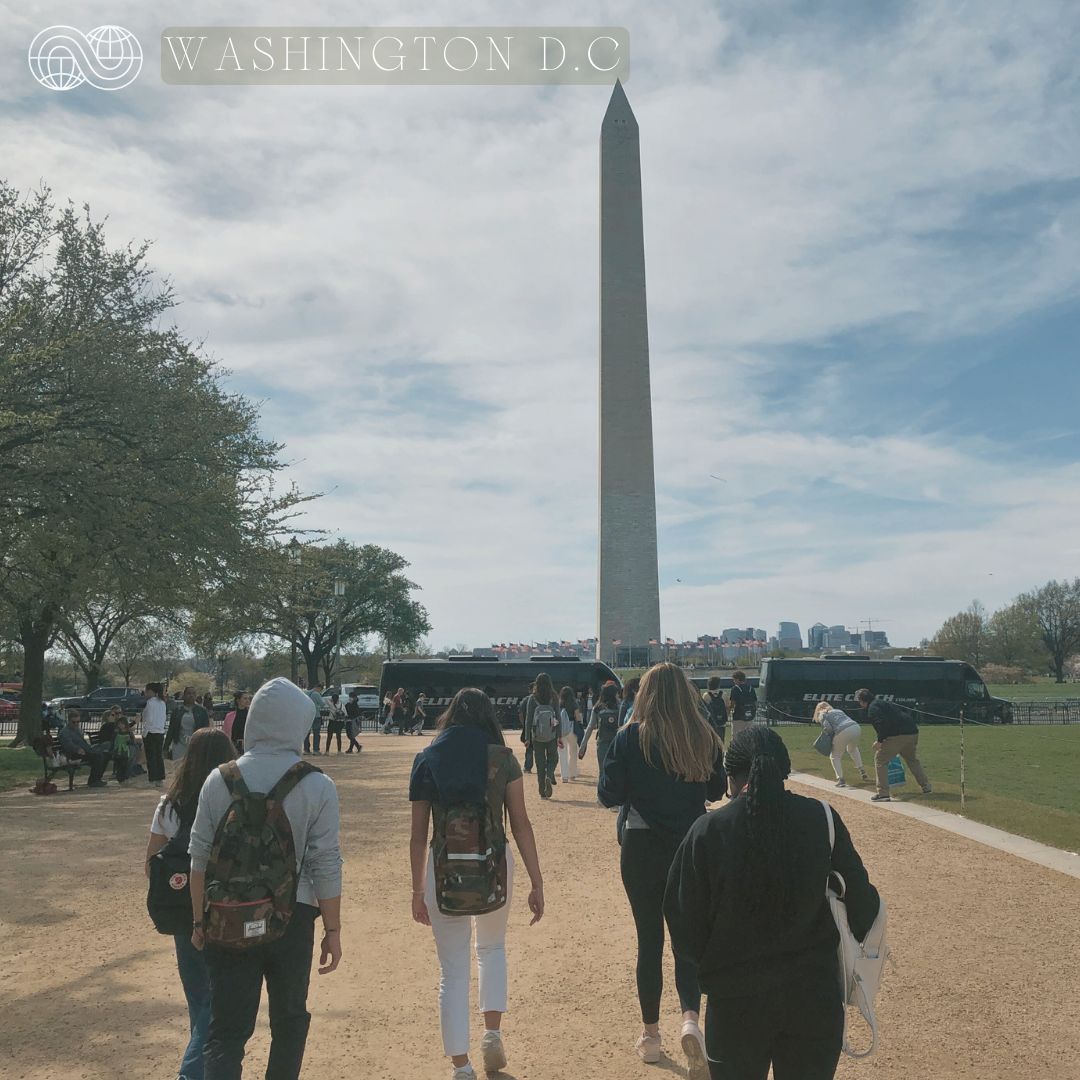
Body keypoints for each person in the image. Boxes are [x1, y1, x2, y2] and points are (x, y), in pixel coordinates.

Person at [664, 726, 880, 1080]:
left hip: (736, 1004)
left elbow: (684, 932)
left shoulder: (708, 831)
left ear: (731, 778)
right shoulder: (823, 819)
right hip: (813, 997)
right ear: (784, 771)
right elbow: (865, 909)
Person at [188, 677, 344, 1080]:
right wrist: (333, 928)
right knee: (289, 1019)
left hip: (226, 912)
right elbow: (325, 863)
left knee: (226, 1029)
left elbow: (199, 856)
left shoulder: (218, 779)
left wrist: (197, 920)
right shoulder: (316, 784)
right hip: (292, 914)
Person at [409, 688, 545, 1080]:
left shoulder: (428, 759)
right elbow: (519, 823)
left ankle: (461, 1066)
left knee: (451, 972)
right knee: (492, 948)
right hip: (494, 867)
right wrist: (537, 881)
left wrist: (417, 890)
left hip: (442, 869)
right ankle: (492, 1032)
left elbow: (419, 835)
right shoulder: (503, 760)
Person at [598, 663, 726, 1078]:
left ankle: (651, 1035)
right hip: (690, 845)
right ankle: (690, 1018)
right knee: (687, 939)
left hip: (642, 844)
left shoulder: (630, 737)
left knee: (649, 940)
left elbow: (608, 795)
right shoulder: (703, 737)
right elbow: (715, 790)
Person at [145, 726, 237, 1080]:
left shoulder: (170, 805)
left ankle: (199, 1068)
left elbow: (152, 859)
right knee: (216, 1002)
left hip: (183, 910)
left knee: (199, 999)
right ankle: (193, 1072)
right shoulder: (233, 798)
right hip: (224, 904)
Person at [857, 688, 932, 801]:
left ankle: (883, 793)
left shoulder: (873, 708)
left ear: (862, 701)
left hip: (898, 735)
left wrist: (880, 741)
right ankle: (927, 787)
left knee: (880, 760)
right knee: (912, 760)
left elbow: (882, 724)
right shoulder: (882, 703)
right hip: (912, 732)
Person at [522, 672, 563, 799]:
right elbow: (558, 717)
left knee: (540, 763)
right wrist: (559, 736)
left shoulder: (532, 698)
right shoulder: (554, 697)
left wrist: (527, 737)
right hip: (551, 734)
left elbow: (529, 719)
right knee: (553, 759)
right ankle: (549, 775)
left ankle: (542, 792)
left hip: (536, 736)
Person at [580, 683, 622, 803]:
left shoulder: (597, 708)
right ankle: (615, 797)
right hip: (616, 742)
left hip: (602, 742)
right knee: (616, 771)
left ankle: (601, 798)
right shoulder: (619, 707)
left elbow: (589, 728)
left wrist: (583, 746)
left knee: (602, 771)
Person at [813, 701, 869, 788]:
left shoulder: (822, 714)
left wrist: (831, 737)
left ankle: (841, 779)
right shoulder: (838, 710)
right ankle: (862, 770)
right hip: (855, 727)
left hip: (842, 730)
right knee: (853, 748)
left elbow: (828, 727)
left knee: (835, 756)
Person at [57, 709, 111, 787]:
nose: (76, 724)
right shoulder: (64, 732)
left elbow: (83, 742)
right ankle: (93, 780)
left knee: (105, 755)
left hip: (83, 751)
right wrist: (78, 749)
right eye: (73, 722)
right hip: (72, 754)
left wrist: (90, 748)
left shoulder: (78, 730)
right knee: (98, 756)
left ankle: (97, 778)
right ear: (68, 721)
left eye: (78, 722)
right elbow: (69, 745)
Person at [165, 687, 211, 762]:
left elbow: (206, 730)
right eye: (188, 693)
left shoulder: (202, 711)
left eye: (193, 694)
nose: (191, 695)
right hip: (179, 745)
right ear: (184, 696)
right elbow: (171, 730)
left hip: (196, 745)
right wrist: (166, 747)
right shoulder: (177, 711)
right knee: (178, 768)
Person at [143, 683, 168, 789]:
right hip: (160, 732)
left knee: (151, 756)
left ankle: (153, 777)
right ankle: (160, 778)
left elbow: (149, 719)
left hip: (151, 732)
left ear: (150, 691)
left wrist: (145, 733)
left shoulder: (150, 703)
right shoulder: (162, 703)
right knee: (158, 756)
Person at [557, 686, 581, 782]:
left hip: (561, 729)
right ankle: (572, 773)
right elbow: (578, 717)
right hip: (572, 728)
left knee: (562, 753)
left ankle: (565, 776)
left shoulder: (559, 704)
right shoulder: (574, 704)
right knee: (573, 751)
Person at [727, 671, 757, 737]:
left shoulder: (735, 689)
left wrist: (728, 710)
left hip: (738, 716)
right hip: (750, 716)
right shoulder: (751, 688)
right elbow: (755, 703)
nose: (734, 682)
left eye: (734, 680)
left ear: (737, 679)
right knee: (749, 736)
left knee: (736, 736)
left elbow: (732, 704)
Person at [304, 682, 327, 754]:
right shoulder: (316, 694)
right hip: (315, 715)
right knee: (316, 733)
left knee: (306, 733)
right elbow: (322, 704)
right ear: (319, 689)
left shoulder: (306, 693)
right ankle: (316, 750)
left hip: (306, 715)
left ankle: (306, 749)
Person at [112, 716, 135, 783]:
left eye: (122, 724)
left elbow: (131, 742)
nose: (120, 725)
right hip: (117, 751)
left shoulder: (128, 733)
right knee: (118, 765)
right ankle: (119, 777)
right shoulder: (116, 733)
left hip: (124, 751)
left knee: (124, 764)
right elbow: (113, 741)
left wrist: (128, 740)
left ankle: (124, 777)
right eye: (119, 724)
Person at [518, 695, 533, 773]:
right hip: (543, 727)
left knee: (529, 747)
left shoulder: (526, 699)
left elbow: (521, 713)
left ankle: (528, 767)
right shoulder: (545, 698)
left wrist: (524, 725)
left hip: (529, 726)